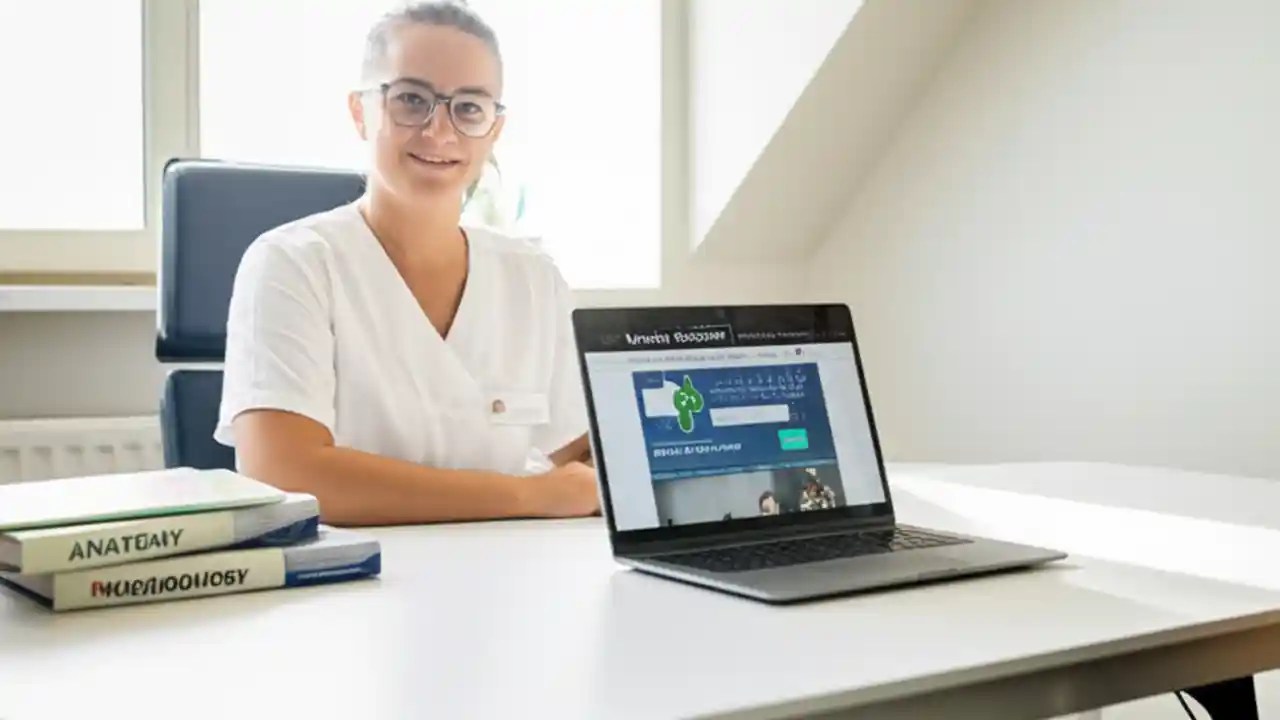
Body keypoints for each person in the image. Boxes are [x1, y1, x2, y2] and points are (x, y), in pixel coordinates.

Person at [215, 2, 598, 526]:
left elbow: (580, 459)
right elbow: (284, 473)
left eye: (468, 108)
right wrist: (527, 497)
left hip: (511, 579)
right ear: (360, 112)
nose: (440, 132)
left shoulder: (532, 278)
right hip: (351, 590)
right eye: (412, 100)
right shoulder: (292, 265)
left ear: (494, 130)